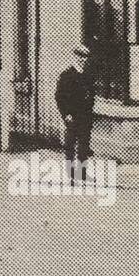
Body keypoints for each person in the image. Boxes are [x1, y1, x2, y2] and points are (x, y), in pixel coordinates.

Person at [55, 44, 96, 182]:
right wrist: (66, 114)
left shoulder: (88, 75)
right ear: (75, 57)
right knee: (70, 145)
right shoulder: (67, 75)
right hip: (72, 115)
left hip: (85, 115)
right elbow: (60, 97)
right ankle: (71, 174)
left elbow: (91, 94)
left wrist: (91, 111)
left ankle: (83, 173)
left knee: (84, 145)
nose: (82, 59)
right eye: (79, 56)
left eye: (84, 57)